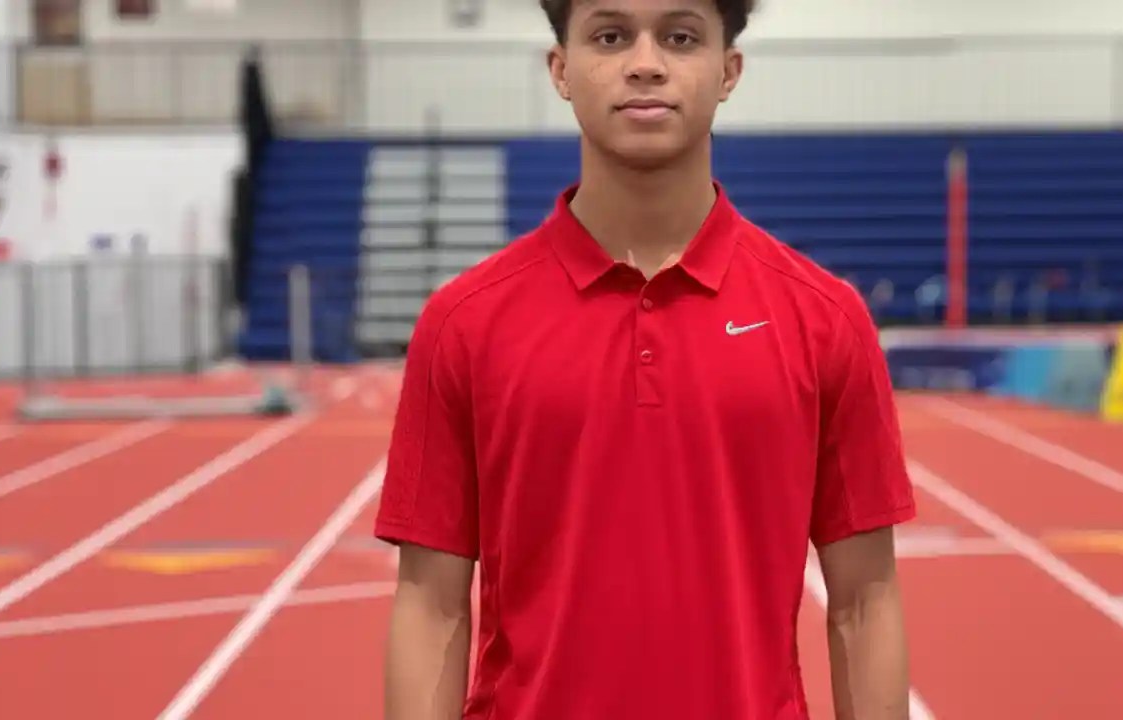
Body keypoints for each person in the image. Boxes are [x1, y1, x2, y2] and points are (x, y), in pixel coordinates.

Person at [375, 1, 918, 718]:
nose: (645, 62)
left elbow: (863, 601)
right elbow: (431, 604)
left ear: (728, 71)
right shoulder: (463, 324)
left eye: (680, 36)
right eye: (610, 35)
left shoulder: (824, 319)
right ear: (561, 69)